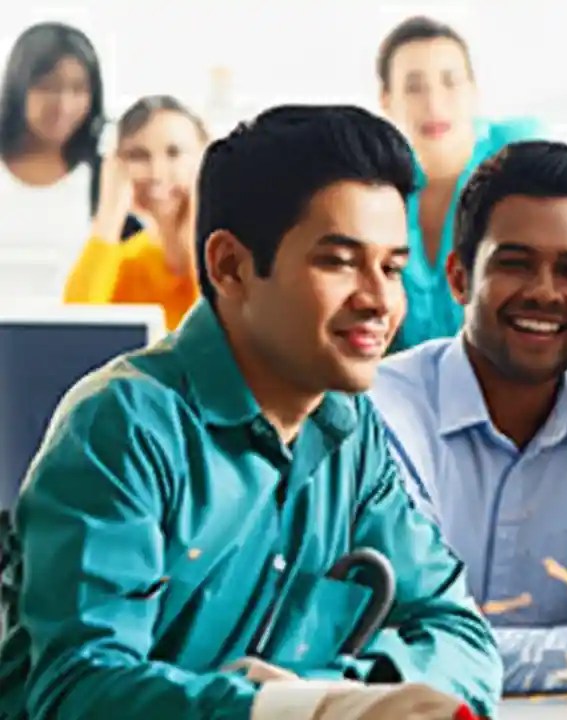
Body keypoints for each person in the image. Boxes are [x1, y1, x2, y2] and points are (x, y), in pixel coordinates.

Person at [0, 105, 502, 719]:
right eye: (340, 262)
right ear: (230, 266)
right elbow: (77, 691)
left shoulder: (349, 430)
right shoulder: (123, 426)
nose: (379, 301)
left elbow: (464, 639)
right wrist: (298, 708)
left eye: (392, 268)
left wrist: (329, 691)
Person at [371, 140, 567, 694]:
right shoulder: (386, 411)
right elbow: (412, 646)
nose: (545, 293)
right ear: (460, 277)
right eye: (516, 265)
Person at [376, 16, 544, 351]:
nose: (434, 104)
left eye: (450, 82)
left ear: (474, 90)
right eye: (413, 87)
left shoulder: (519, 158)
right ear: (386, 100)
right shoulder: (376, 185)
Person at [64, 95, 208, 330]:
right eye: (138, 156)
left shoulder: (241, 254)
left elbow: (219, 333)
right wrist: (108, 215)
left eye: (174, 153)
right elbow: (73, 332)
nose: (157, 173)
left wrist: (198, 225)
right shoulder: (128, 262)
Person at [0, 21, 107, 304]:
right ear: (18, 88)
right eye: (48, 87)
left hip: (75, 336)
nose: (63, 105)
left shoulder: (103, 177)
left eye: (78, 89)